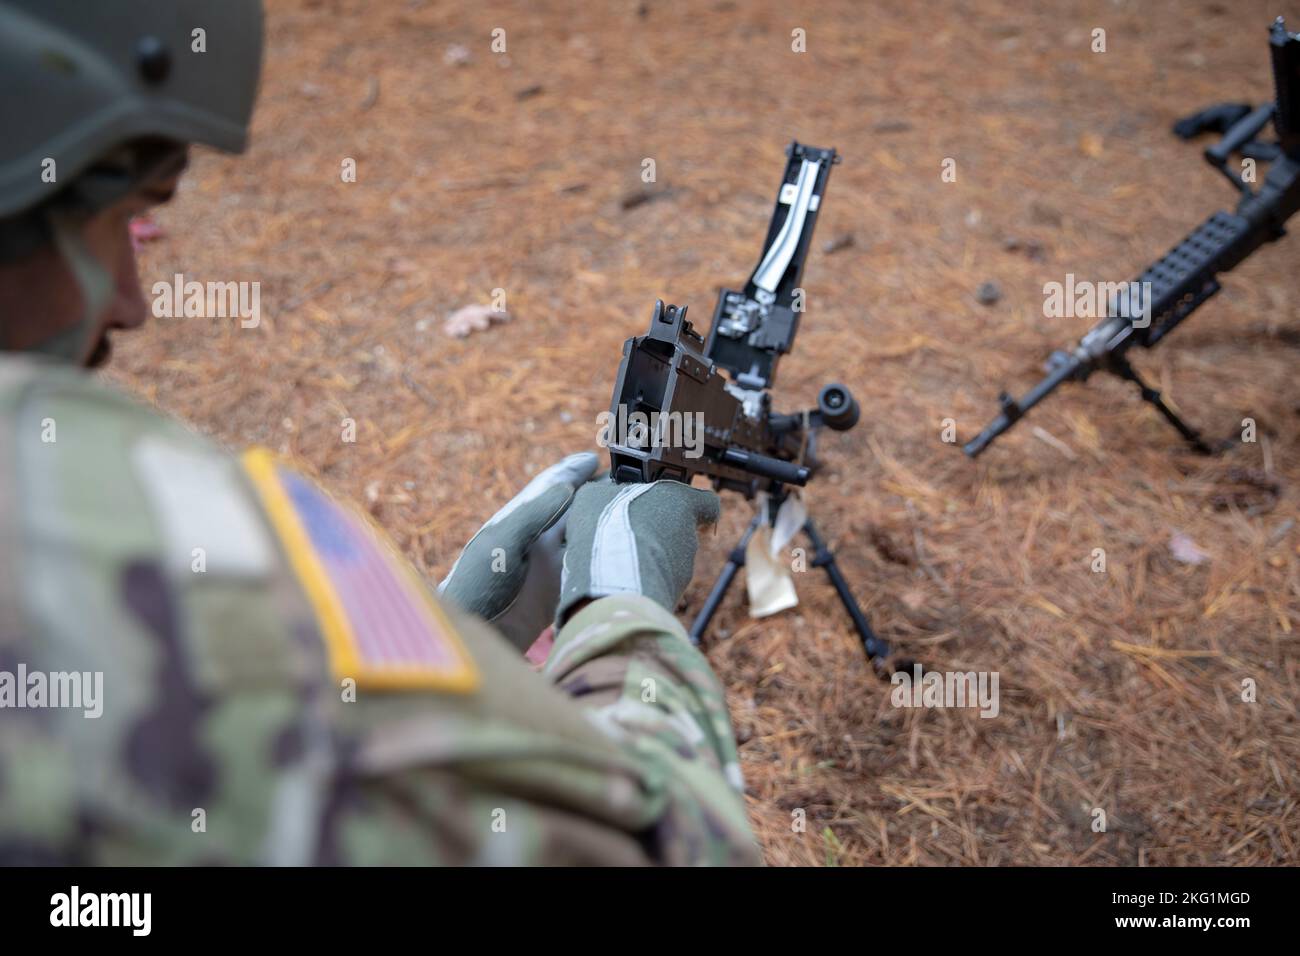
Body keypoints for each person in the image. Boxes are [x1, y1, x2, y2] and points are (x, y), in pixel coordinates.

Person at [0, 0, 759, 865]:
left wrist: (440, 647)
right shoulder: (169, 549)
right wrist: (625, 618)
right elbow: (672, 849)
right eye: (118, 221)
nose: (133, 303)